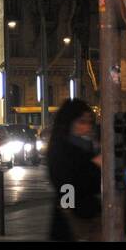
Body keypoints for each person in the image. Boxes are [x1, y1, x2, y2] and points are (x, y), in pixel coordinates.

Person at [47, 98, 102, 241]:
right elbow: (65, 184)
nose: (87, 127)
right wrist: (70, 210)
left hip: (89, 213)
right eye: (82, 122)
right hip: (73, 220)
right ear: (69, 122)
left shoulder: (87, 147)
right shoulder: (62, 149)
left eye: (90, 122)